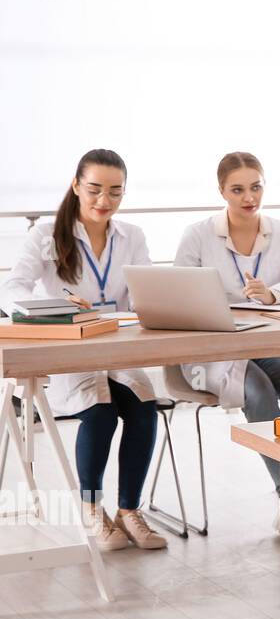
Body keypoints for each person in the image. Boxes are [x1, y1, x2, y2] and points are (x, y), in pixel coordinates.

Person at [0, 149, 166, 551]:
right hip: (69, 354)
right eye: (94, 190)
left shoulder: (132, 237)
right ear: (76, 186)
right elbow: (13, 291)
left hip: (116, 349)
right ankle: (92, 510)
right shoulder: (46, 236)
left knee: (144, 411)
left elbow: (143, 291)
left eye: (115, 192)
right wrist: (55, 307)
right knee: (100, 413)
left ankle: (129, 512)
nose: (103, 202)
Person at [173, 151, 280, 545]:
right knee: (258, 391)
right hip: (214, 347)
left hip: (265, 339)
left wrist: (272, 293)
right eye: (238, 189)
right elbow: (176, 291)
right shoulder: (198, 235)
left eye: (256, 186)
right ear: (222, 191)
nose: (249, 197)